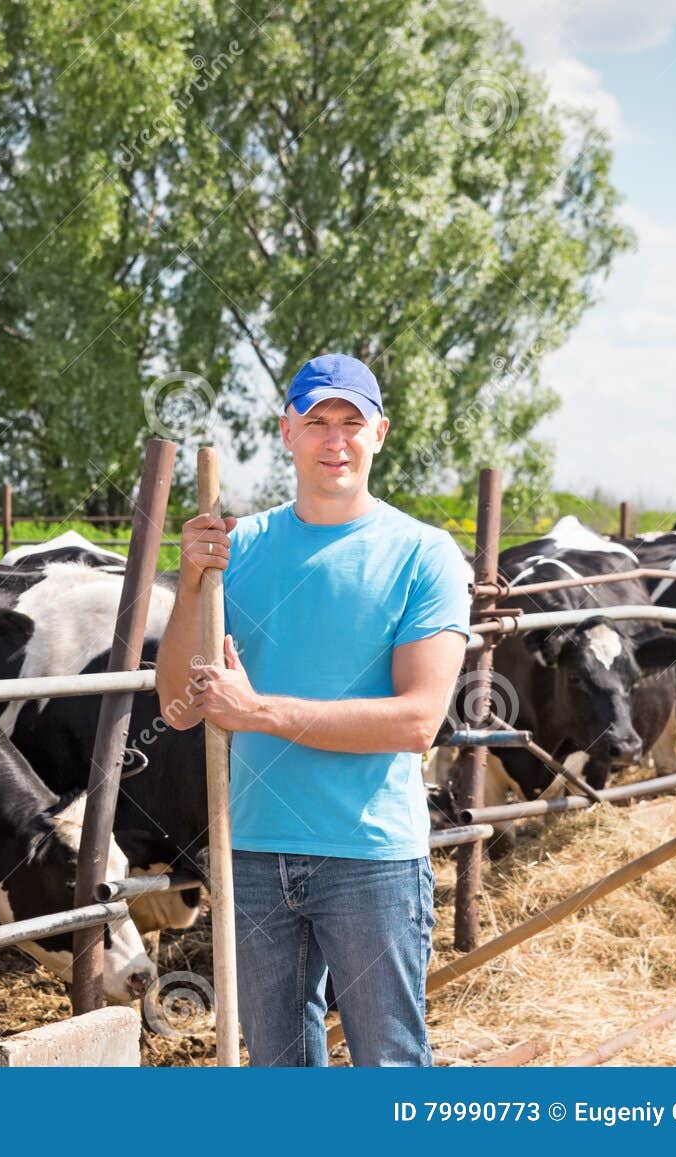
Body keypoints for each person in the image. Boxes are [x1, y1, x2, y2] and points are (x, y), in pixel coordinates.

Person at [156, 353, 470, 1066]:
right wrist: (191, 583)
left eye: (352, 423)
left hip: (372, 858)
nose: (336, 440)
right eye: (318, 421)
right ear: (286, 431)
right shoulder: (240, 549)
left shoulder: (424, 555)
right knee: (278, 1074)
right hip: (256, 853)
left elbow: (416, 720)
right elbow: (177, 706)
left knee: (387, 1064)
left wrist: (257, 710)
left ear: (380, 433)